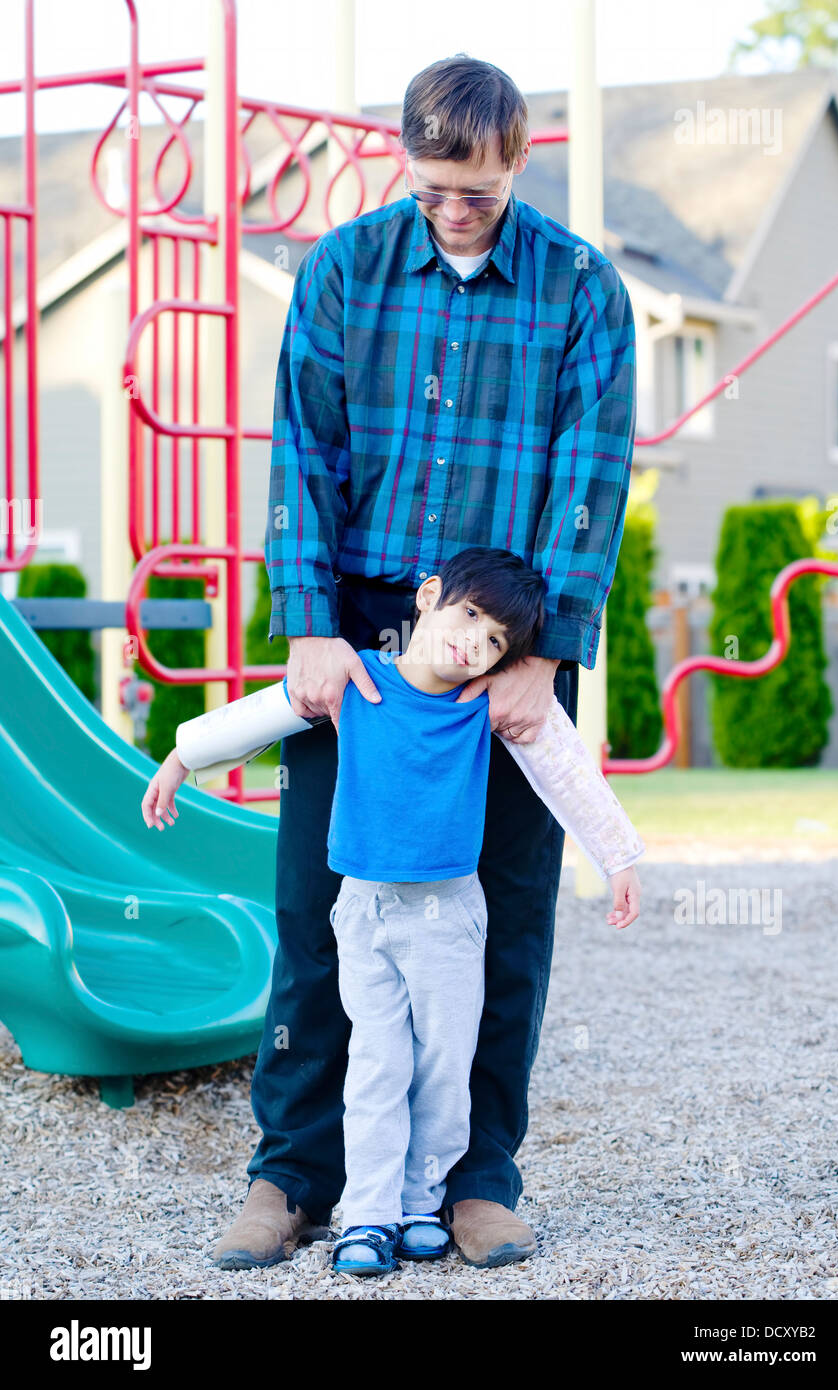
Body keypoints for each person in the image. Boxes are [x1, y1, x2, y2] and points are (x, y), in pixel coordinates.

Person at [212, 52, 637, 1271]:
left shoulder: (577, 287)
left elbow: (590, 475)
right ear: (404, 158)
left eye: (482, 190)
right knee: (316, 906)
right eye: (437, 186)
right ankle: (293, 1173)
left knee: (499, 920)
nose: (458, 209)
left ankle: (474, 1178)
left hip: (505, 634)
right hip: (358, 637)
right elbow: (303, 452)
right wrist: (304, 620)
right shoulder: (341, 272)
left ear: (516, 163)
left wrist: (541, 652)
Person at [141, 548, 643, 1277]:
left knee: (442, 1067)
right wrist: (181, 759)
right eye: (470, 615)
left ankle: (419, 1203)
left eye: (496, 639)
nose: (475, 641)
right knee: (377, 1064)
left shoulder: (482, 707)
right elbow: (260, 714)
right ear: (430, 598)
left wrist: (618, 857)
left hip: (449, 920)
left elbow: (563, 766)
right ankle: (367, 1216)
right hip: (366, 914)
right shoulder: (357, 686)